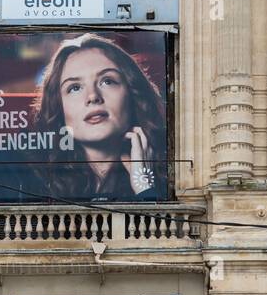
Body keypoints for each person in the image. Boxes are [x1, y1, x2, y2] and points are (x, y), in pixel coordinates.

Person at [33, 33, 167, 201]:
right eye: (74, 88)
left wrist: (144, 184)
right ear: (59, 108)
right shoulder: (33, 178)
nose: (93, 96)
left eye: (107, 81)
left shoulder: (170, 175)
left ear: (132, 94)